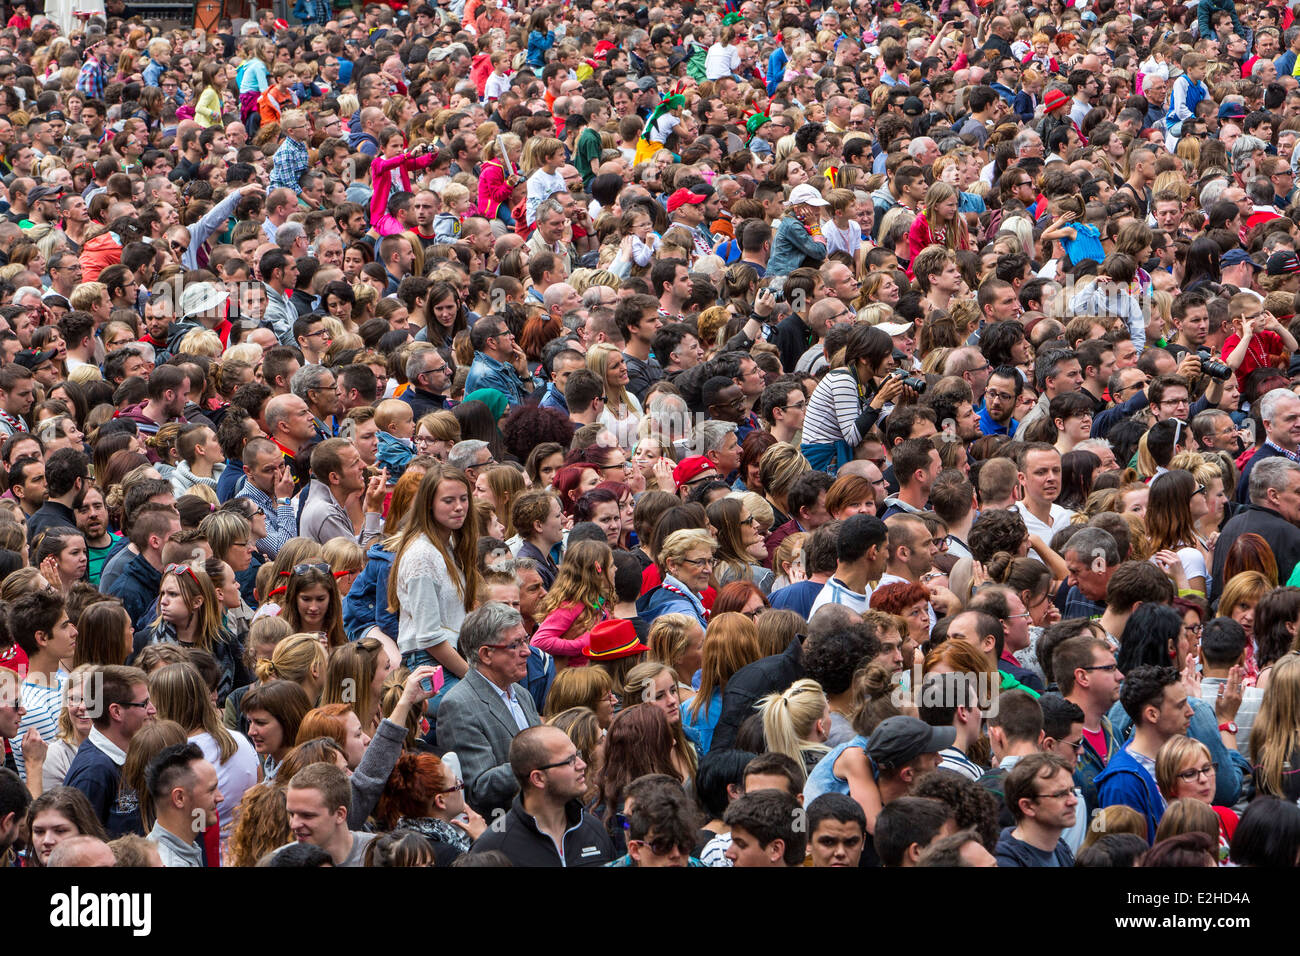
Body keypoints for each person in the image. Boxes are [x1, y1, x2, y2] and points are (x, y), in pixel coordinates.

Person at [436, 603, 541, 816]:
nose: (527, 651)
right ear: (486, 654)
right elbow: (479, 788)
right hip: (503, 830)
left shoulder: (522, 694)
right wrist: (539, 761)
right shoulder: (459, 705)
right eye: (515, 645)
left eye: (525, 640)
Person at [469, 724, 614, 866]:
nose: (582, 764)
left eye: (578, 755)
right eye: (570, 760)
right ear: (538, 778)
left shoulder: (593, 829)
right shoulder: (496, 847)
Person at [1095, 665, 1191, 843]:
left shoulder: (1176, 758)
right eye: (1180, 706)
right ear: (1152, 714)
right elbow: (1125, 853)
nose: (1190, 712)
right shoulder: (1122, 783)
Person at [63, 665, 156, 838]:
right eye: (144, 703)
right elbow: (78, 845)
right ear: (116, 712)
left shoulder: (129, 753)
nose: (152, 710)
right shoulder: (94, 772)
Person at [276, 763, 375, 866]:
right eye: (292, 814)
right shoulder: (279, 861)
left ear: (340, 814)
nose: (294, 824)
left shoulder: (380, 854)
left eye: (307, 815)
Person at [143, 742, 222, 868]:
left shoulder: (186, 848)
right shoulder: (168, 862)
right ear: (179, 798)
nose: (220, 798)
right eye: (211, 790)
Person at [995, 752, 1079, 867]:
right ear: (1027, 806)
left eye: (1072, 791)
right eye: (1060, 794)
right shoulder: (1003, 862)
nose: (1073, 801)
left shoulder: (1060, 848)